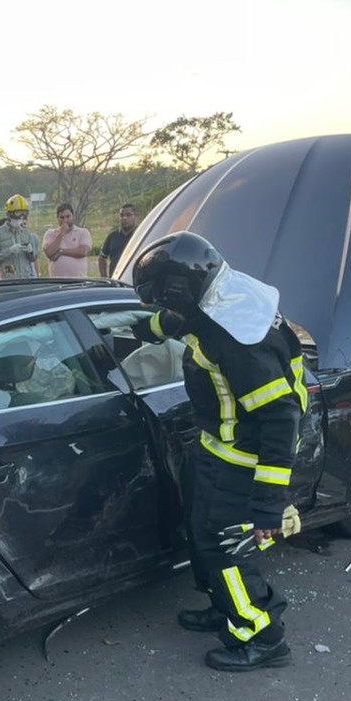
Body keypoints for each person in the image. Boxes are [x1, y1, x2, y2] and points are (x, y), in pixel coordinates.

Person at [130, 231, 307, 672]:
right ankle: (225, 608)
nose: (165, 310)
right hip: (219, 449)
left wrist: (269, 507)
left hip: (246, 462)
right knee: (199, 531)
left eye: (164, 301)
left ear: (181, 290)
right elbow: (185, 321)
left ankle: (263, 635)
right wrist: (137, 330)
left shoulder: (239, 342)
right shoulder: (223, 297)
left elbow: (280, 421)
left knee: (223, 548)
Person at [0, 195, 38, 279]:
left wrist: (31, 252)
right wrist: (9, 251)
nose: (21, 217)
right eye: (18, 213)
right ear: (9, 214)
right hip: (8, 282)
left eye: (24, 213)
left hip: (25, 280)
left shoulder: (26, 233)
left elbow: (34, 258)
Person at [43, 203, 92, 278]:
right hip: (57, 281)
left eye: (68, 216)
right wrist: (61, 233)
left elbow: (83, 251)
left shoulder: (83, 232)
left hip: (78, 281)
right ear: (57, 218)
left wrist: (61, 251)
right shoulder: (50, 234)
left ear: (73, 216)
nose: (65, 220)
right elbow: (49, 252)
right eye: (62, 217)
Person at [98, 204, 139, 278]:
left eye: (128, 215)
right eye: (122, 215)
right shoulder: (112, 236)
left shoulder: (141, 235)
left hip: (135, 279)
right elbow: (102, 257)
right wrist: (104, 277)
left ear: (136, 217)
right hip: (116, 279)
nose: (124, 218)